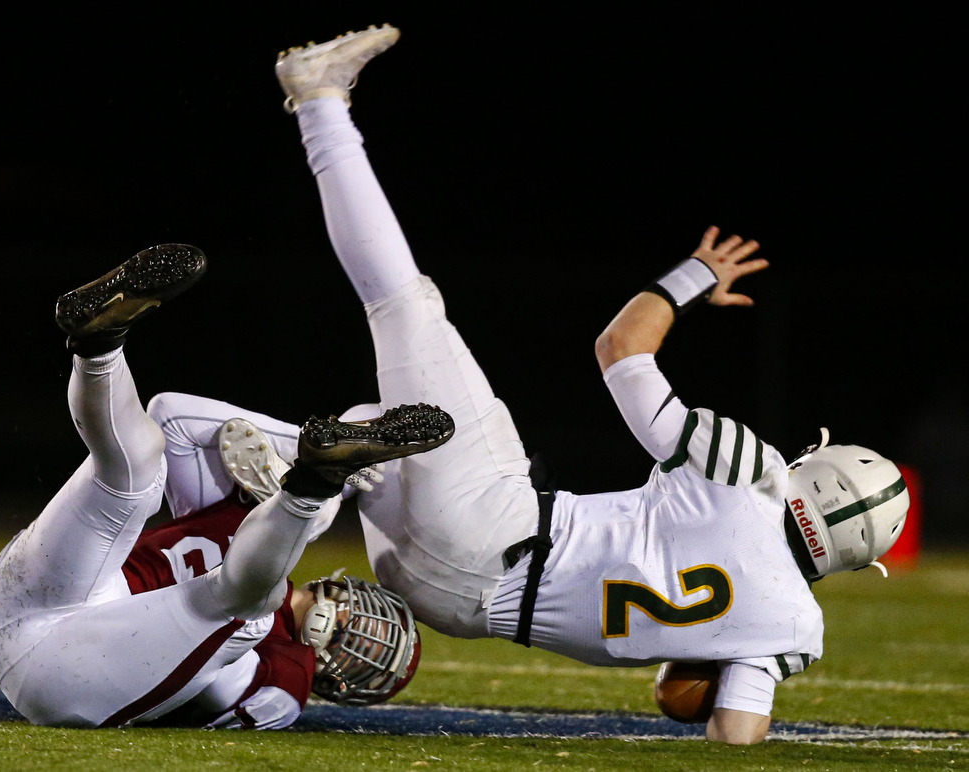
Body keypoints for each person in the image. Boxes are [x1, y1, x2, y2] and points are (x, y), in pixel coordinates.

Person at [259, 25, 913, 745]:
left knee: (404, 305)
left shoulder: (747, 471)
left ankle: (319, 98)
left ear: (814, 473)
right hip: (459, 609)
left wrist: (696, 275)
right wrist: (704, 660)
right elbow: (734, 733)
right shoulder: (793, 624)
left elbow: (620, 348)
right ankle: (272, 485)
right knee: (367, 428)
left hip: (493, 525)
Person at [0, 244, 454, 729]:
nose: (358, 632)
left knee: (251, 611)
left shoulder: (287, 674)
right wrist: (294, 452)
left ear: (341, 681)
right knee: (137, 466)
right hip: (30, 598)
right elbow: (172, 416)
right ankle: (100, 344)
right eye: (372, 629)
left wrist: (304, 503)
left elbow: (235, 693)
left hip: (64, 677)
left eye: (367, 652)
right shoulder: (238, 514)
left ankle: (314, 484)